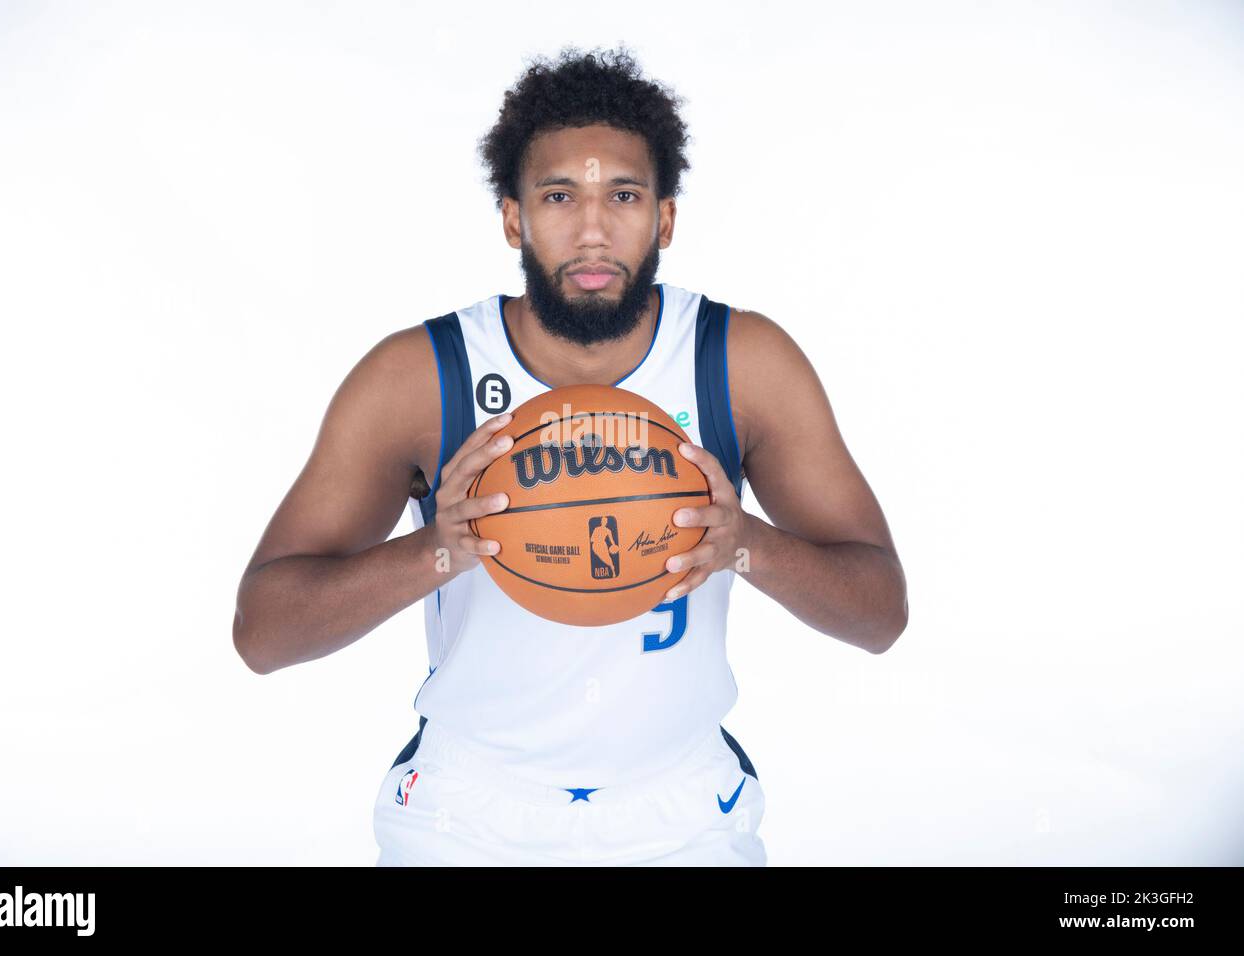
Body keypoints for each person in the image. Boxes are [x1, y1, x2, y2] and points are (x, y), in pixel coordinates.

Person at [232, 46, 908, 866]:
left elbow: (881, 615)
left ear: (664, 216)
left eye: (622, 195)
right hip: (465, 811)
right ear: (513, 217)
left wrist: (747, 546)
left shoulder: (739, 363)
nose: (593, 229)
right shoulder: (420, 377)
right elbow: (262, 635)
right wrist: (440, 548)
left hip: (683, 808)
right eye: (560, 197)